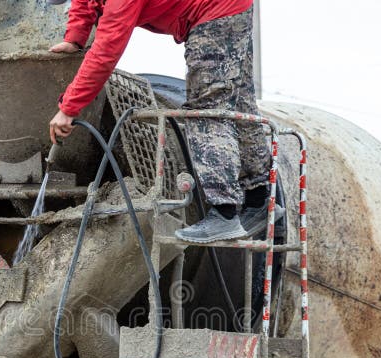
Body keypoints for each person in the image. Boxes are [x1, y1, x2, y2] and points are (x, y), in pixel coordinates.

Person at [49, 0, 278, 244]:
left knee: (207, 111)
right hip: (231, 9)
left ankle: (224, 214)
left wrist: (69, 107)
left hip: (214, 13)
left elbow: (106, 52)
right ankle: (258, 198)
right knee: (239, 103)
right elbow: (86, 2)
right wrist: (75, 38)